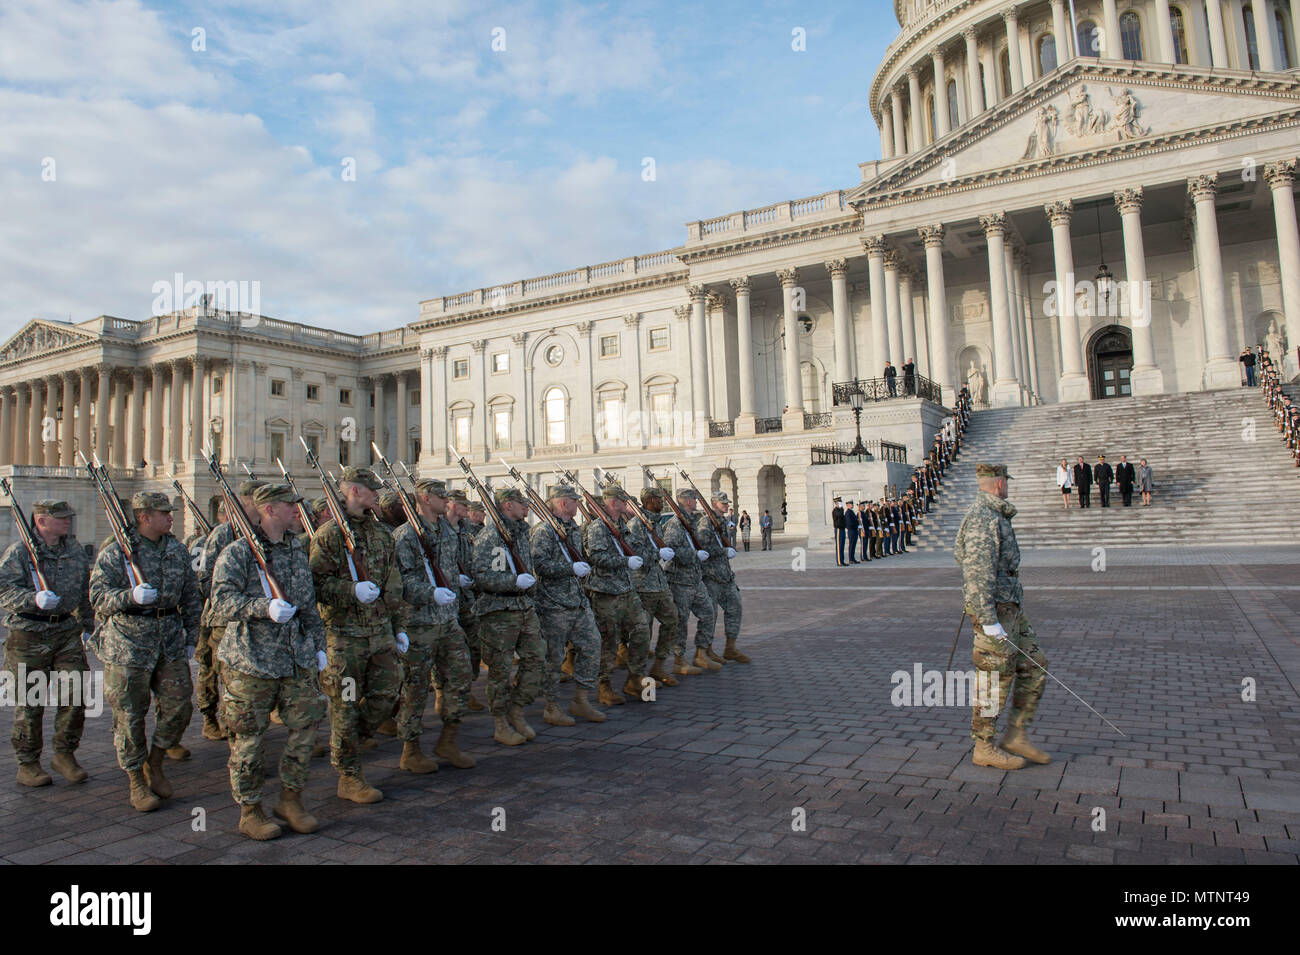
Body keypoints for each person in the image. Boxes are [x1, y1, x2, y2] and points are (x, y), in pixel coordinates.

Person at [209, 483, 328, 840]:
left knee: (306, 728)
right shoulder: (238, 552)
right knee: (248, 739)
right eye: (290, 505)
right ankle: (250, 810)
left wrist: (318, 645)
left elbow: (308, 603)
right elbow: (220, 603)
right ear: (269, 510)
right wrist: (263, 607)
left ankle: (291, 800)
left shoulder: (296, 548)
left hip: (295, 658)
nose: (297, 510)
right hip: (251, 661)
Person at [89, 491, 202, 812]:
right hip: (128, 642)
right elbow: (98, 597)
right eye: (164, 513)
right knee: (129, 714)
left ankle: (156, 759)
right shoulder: (117, 553)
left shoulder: (178, 551)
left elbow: (191, 597)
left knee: (179, 705)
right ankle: (136, 779)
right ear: (144, 517)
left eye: (171, 512)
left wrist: (191, 636)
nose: (171, 517)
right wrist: (129, 596)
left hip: (168, 638)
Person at [309, 466, 408, 803]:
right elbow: (317, 584)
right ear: (353, 491)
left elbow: (393, 582)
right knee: (346, 703)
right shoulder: (329, 535)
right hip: (345, 636)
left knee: (386, 695)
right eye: (371, 490)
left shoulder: (381, 534)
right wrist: (351, 590)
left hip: (379, 631)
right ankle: (349, 774)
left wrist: (399, 626)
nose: (377, 495)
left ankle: (350, 740)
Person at [953, 464, 1049, 770]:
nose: (1008, 486)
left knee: (1034, 666)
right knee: (994, 678)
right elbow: (976, 574)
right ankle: (984, 746)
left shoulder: (996, 515)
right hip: (994, 611)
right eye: (1006, 481)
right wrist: (988, 619)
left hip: (1010, 609)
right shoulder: (983, 519)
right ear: (998, 484)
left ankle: (1016, 735)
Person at [0, 500, 93, 786]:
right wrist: (32, 599)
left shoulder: (74, 549)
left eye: (68, 516)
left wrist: (88, 626)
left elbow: (83, 589)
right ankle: (28, 764)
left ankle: (64, 753)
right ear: (41, 521)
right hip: (29, 633)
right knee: (30, 701)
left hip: (65, 630)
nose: (67, 521)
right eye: (61, 518)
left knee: (75, 692)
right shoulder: (19, 552)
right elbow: (4, 591)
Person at [391, 478, 479, 771]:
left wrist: (457, 585)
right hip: (419, 623)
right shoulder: (405, 536)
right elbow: (403, 581)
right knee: (414, 689)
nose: (447, 501)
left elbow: (450, 569)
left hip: (448, 620)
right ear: (426, 499)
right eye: (441, 497)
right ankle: (410, 749)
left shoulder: (449, 532)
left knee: (461, 676)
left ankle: (448, 739)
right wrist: (430, 593)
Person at [471, 487, 546, 745]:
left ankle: (517, 709)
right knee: (500, 670)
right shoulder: (491, 536)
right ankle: (500, 721)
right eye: (520, 502)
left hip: (524, 609)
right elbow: (482, 576)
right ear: (507, 506)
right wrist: (514, 582)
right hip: (499, 612)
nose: (526, 507)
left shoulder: (522, 533)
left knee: (536, 659)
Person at [196, 478, 267, 742]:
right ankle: (219, 724)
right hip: (223, 621)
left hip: (253, 619)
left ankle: (243, 729)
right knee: (221, 675)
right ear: (247, 500)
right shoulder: (224, 534)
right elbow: (205, 580)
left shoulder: (261, 531)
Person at [529, 484, 607, 722]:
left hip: (577, 601)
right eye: (574, 501)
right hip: (554, 605)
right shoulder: (544, 532)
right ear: (563, 503)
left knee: (593, 645)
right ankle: (551, 706)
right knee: (554, 657)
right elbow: (539, 566)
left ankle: (580, 700)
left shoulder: (571, 528)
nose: (577, 505)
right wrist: (569, 568)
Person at [584, 482, 654, 704]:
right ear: (613, 502)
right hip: (606, 593)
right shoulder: (598, 528)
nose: (627, 504)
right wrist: (625, 561)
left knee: (642, 631)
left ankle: (635, 679)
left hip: (626, 590)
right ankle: (603, 686)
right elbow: (597, 558)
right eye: (623, 501)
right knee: (609, 641)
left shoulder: (621, 526)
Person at [625, 486, 679, 687]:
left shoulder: (654, 524)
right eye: (659, 499)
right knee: (642, 632)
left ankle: (658, 665)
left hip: (659, 583)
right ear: (649, 500)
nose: (662, 501)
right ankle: (636, 676)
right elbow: (636, 556)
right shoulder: (636, 525)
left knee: (672, 620)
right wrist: (658, 554)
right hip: (643, 585)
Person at [662, 488, 720, 674]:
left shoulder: (692, 522)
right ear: (687, 501)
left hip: (695, 579)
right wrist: (694, 554)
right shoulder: (674, 524)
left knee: (708, 613)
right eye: (694, 500)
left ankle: (701, 654)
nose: (696, 502)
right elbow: (671, 551)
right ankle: (679, 660)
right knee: (681, 621)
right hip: (679, 581)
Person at [699, 491, 748, 663]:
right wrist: (723, 551)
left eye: (727, 503)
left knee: (735, 608)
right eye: (723, 503)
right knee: (710, 615)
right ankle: (707, 649)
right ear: (713, 504)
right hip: (711, 577)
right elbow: (702, 549)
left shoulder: (723, 522)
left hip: (726, 576)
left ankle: (730, 647)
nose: (727, 506)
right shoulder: (705, 522)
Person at [831, 497, 846, 566]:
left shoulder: (840, 510)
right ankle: (839, 562)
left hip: (842, 529)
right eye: (839, 503)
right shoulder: (835, 510)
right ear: (836, 503)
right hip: (838, 529)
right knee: (839, 546)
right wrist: (841, 508)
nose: (841, 504)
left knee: (842, 546)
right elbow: (839, 515)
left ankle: (842, 561)